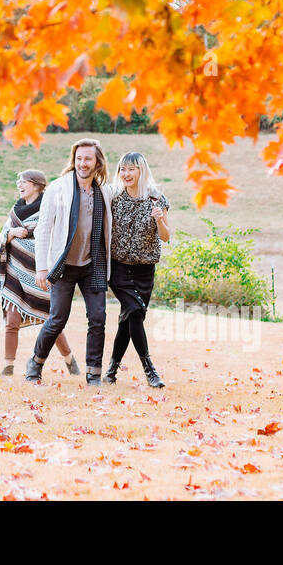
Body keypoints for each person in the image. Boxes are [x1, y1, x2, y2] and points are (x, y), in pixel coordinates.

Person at [26, 139, 114, 386]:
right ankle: (35, 363)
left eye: (88, 159)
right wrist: (41, 268)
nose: (83, 163)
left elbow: (132, 189)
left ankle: (94, 374)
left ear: (97, 162)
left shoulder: (104, 192)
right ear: (73, 161)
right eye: (79, 159)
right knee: (57, 319)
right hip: (63, 266)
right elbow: (43, 229)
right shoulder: (58, 188)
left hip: (92, 264)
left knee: (98, 318)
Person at [0, 170, 79, 377]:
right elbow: (3, 234)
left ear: (37, 185)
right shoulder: (16, 209)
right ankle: (8, 367)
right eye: (18, 181)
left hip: (41, 272)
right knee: (12, 320)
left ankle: (70, 360)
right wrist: (11, 233)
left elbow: (53, 236)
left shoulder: (47, 207)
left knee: (51, 321)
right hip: (16, 273)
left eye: (24, 182)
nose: (19, 185)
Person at [106, 151, 171, 388]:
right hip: (119, 268)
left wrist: (159, 221)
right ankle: (149, 369)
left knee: (129, 318)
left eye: (131, 169)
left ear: (141, 171)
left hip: (145, 269)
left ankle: (111, 370)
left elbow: (166, 237)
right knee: (134, 310)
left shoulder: (156, 199)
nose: (126, 173)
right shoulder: (113, 197)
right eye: (122, 169)